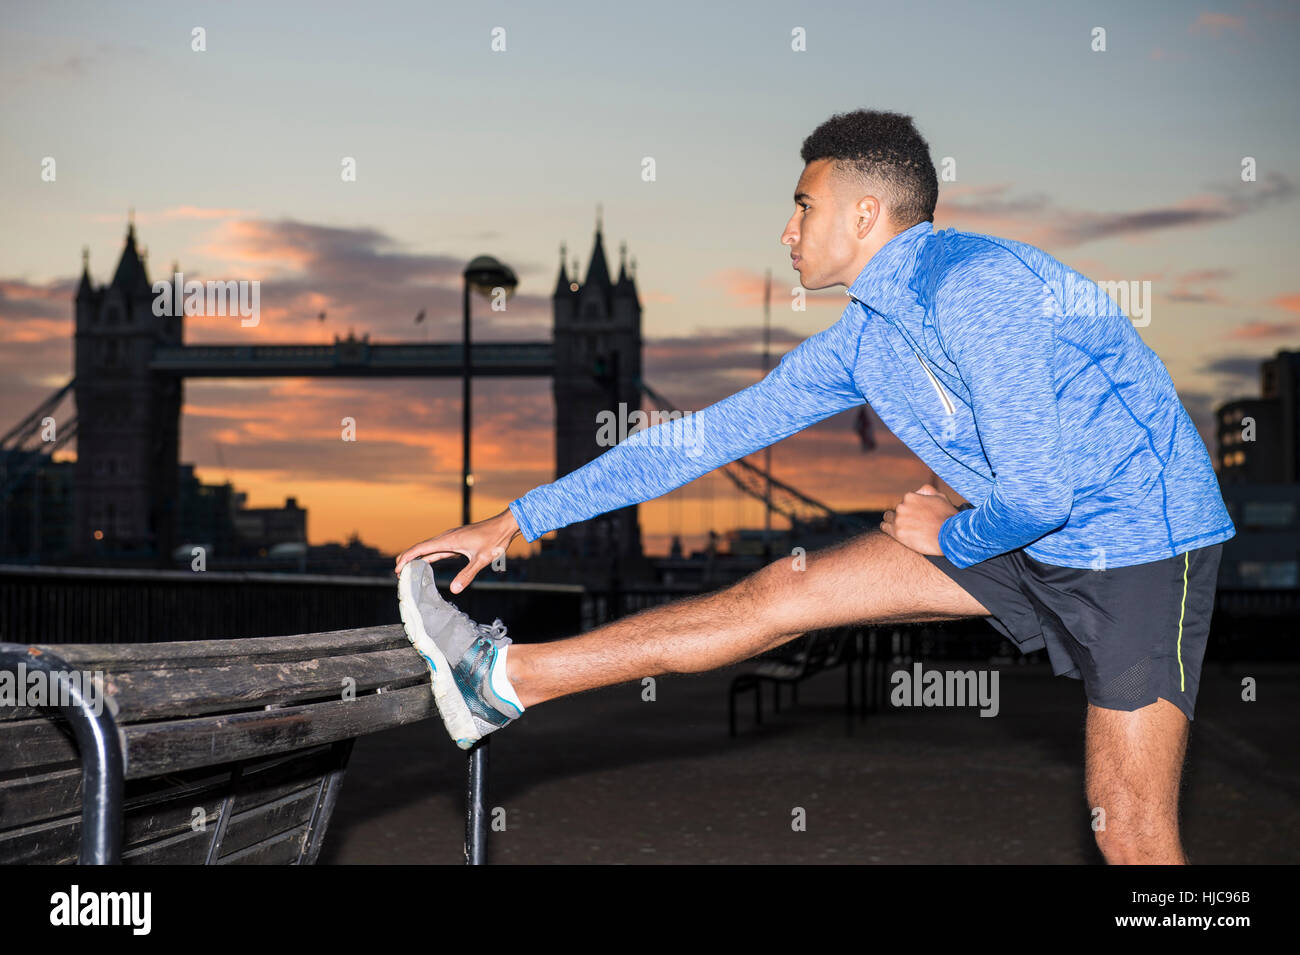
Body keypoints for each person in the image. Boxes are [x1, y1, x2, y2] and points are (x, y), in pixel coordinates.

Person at [393, 109, 1235, 865]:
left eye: (804, 204)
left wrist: (949, 535)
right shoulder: (862, 341)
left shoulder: (975, 288)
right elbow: (698, 440)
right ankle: (499, 681)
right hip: (1011, 534)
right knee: (777, 593)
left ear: (866, 214)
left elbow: (1043, 492)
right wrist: (517, 518)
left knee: (1128, 832)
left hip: (1138, 543)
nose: (786, 229)